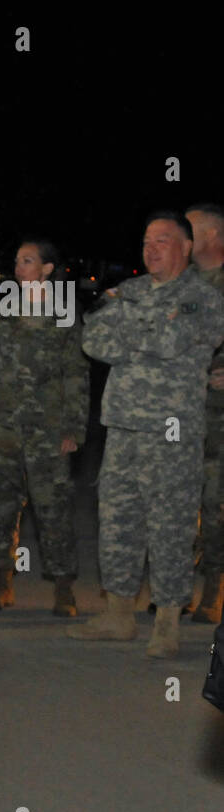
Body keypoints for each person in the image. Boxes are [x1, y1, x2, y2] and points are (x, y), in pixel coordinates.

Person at [74, 211, 224, 658]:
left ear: (185, 246)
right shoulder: (131, 291)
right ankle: (119, 616)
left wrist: (132, 333)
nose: (151, 249)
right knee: (118, 523)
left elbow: (173, 339)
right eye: (146, 241)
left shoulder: (202, 297)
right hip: (122, 427)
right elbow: (93, 340)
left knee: (171, 527)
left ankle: (167, 624)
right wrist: (146, 331)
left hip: (172, 432)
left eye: (162, 240)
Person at [0, 239, 88, 615]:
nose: (19, 267)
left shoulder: (64, 314)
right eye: (18, 260)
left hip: (48, 427)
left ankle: (63, 586)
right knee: (3, 505)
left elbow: (76, 373)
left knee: (52, 505)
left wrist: (74, 427)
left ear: (47, 269)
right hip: (2, 424)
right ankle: (2, 581)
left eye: (28, 261)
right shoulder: (2, 311)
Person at [185, 203, 224, 623]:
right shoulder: (185, 284)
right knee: (180, 504)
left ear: (213, 236)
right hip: (183, 413)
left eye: (191, 229)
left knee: (215, 504)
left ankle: (215, 588)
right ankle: (176, 588)